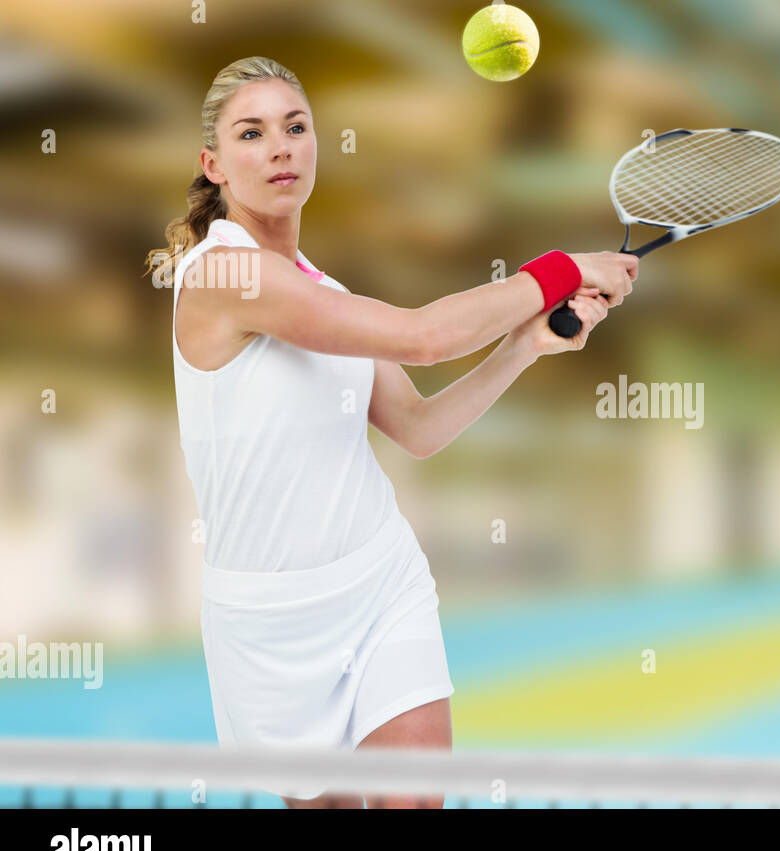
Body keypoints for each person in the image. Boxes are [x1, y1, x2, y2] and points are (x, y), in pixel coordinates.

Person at [142, 56, 637, 809]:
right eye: (252, 133)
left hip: (380, 584)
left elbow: (418, 425)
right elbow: (424, 337)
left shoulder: (326, 293)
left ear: (315, 147)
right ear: (214, 165)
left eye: (295, 127)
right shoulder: (219, 277)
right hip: (268, 627)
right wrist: (563, 267)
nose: (279, 147)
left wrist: (523, 347)